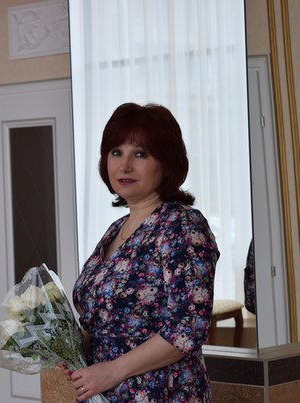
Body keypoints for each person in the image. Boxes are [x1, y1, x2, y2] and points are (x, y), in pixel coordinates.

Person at [67, 102, 220, 402]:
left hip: (163, 393)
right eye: (116, 152)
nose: (124, 166)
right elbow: (97, 320)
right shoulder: (115, 230)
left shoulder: (181, 224)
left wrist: (113, 371)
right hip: (105, 394)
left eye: (140, 154)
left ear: (167, 162)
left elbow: (188, 327)